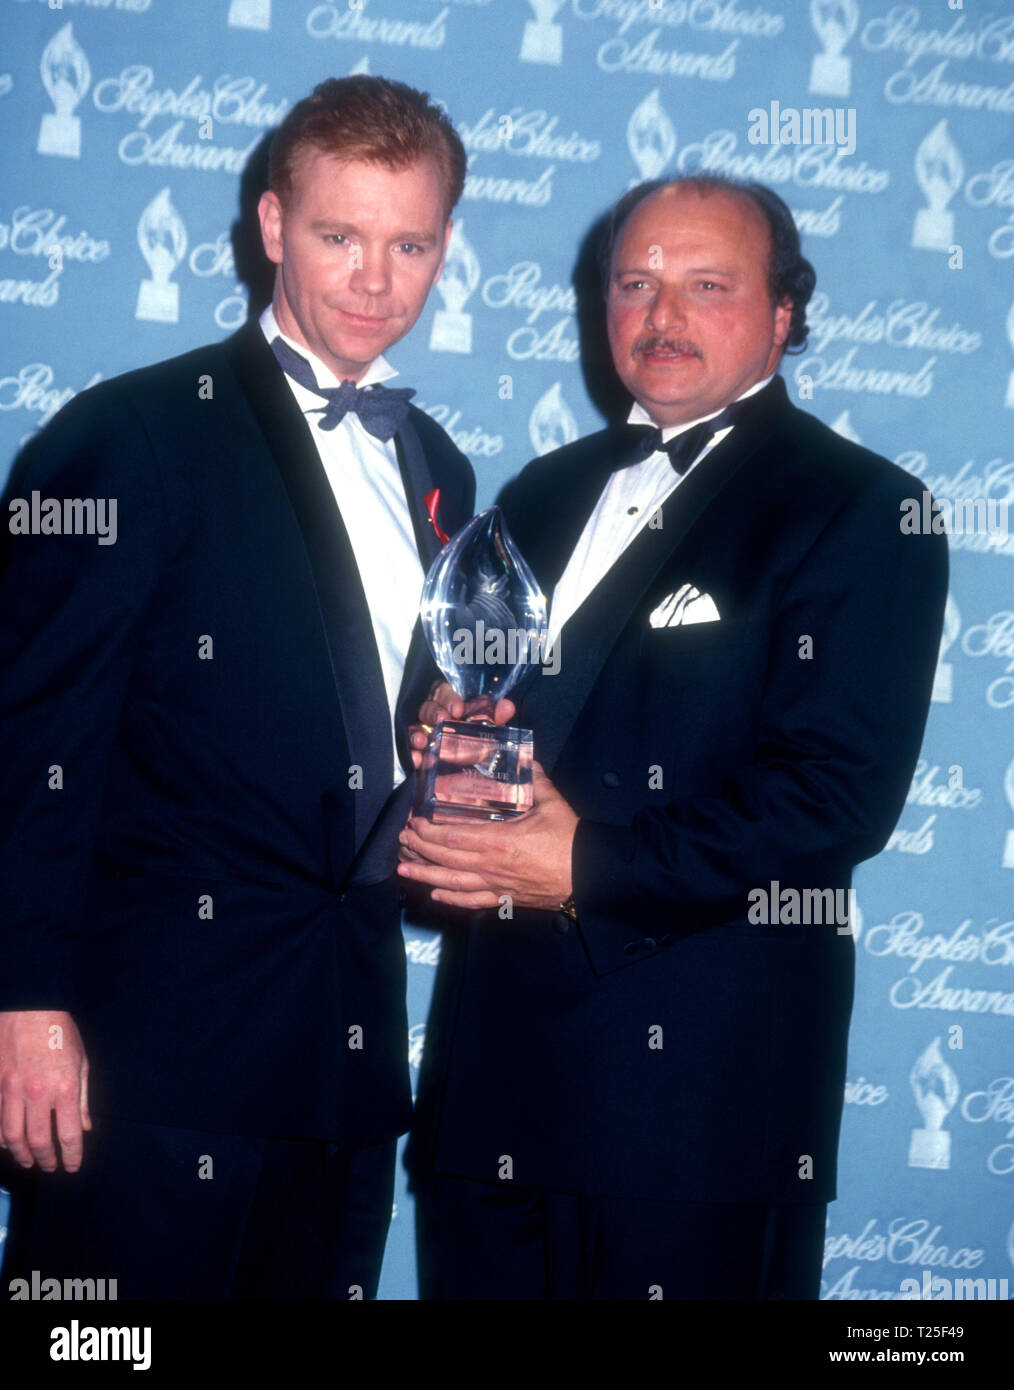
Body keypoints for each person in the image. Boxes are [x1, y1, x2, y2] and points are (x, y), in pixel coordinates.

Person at [398, 175, 948, 1301]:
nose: (662, 317)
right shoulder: (543, 491)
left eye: (707, 286)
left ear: (784, 313)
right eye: (635, 285)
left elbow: (835, 795)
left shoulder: (865, 509)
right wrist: (443, 726)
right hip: (490, 1084)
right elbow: (481, 689)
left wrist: (584, 865)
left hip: (700, 1110)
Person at [0, 75, 473, 1301]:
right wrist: (24, 1004)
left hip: (347, 1065)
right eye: (339, 236)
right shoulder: (133, 435)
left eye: (409, 243)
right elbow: (28, 739)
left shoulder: (438, 467)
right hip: (148, 1057)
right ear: (272, 226)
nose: (376, 279)